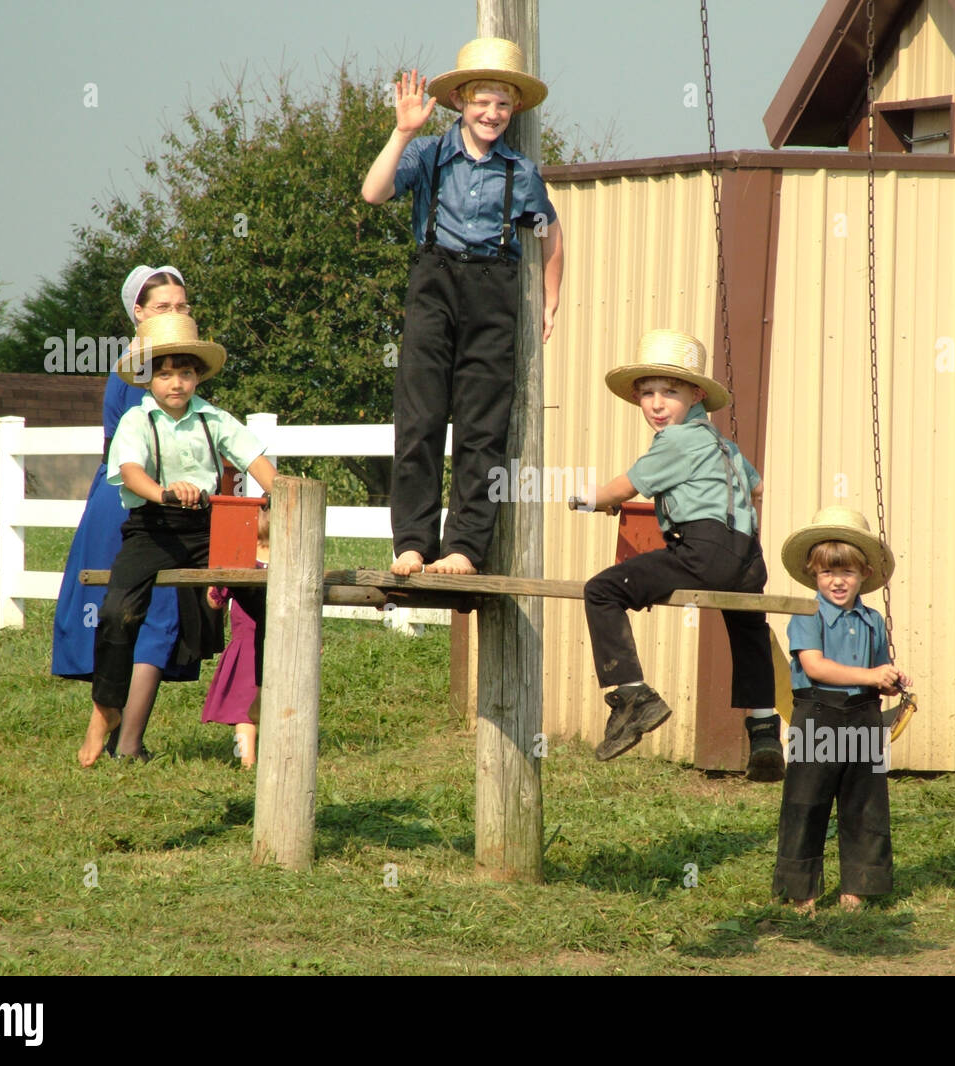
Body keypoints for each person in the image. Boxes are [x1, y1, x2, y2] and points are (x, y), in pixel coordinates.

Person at [361, 37, 564, 576]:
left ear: (514, 108)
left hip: (493, 291)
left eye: (501, 103)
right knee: (420, 419)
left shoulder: (520, 171)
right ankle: (412, 541)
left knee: (482, 427)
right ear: (460, 103)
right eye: (481, 101)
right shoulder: (427, 154)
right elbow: (373, 193)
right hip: (434, 282)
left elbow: (550, 231)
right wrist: (403, 131)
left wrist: (551, 296)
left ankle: (464, 549)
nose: (491, 113)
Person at [572, 329, 780, 775]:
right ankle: (764, 732)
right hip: (748, 558)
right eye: (647, 393)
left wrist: (590, 499)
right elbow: (758, 486)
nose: (657, 404)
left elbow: (624, 487)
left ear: (696, 394)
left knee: (604, 590)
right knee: (749, 632)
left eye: (670, 391)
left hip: (703, 549)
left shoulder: (676, 441)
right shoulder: (722, 444)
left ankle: (633, 695)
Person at [77, 312, 277, 765]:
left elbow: (256, 459)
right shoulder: (136, 420)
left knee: (269, 601)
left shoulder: (214, 418)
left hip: (209, 526)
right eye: (165, 374)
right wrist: (164, 492)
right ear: (148, 379)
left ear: (198, 377)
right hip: (153, 526)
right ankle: (106, 708)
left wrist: (279, 491)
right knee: (116, 611)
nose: (176, 383)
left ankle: (266, 692)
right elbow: (129, 471)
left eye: (185, 373)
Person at [55, 265, 196, 759]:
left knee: (133, 612)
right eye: (162, 307)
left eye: (181, 306)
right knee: (155, 614)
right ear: (138, 312)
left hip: (124, 495)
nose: (174, 313)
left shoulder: (151, 361)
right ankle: (127, 742)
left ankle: (119, 735)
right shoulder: (144, 367)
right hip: (138, 499)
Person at [773, 507, 910, 914]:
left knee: (865, 800)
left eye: (847, 572)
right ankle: (801, 890)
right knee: (806, 800)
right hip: (818, 713)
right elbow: (814, 667)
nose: (837, 581)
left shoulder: (872, 619)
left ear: (865, 574)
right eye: (828, 572)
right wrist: (871, 676)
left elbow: (876, 671)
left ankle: (859, 884)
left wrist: (891, 680)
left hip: (864, 713)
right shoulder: (807, 614)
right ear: (814, 574)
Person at [202, 506, 269, 768]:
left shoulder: (241, 562)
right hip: (278, 643)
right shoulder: (288, 562)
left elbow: (215, 602)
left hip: (246, 643)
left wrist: (215, 583)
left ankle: (247, 759)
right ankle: (270, 755)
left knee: (244, 710)